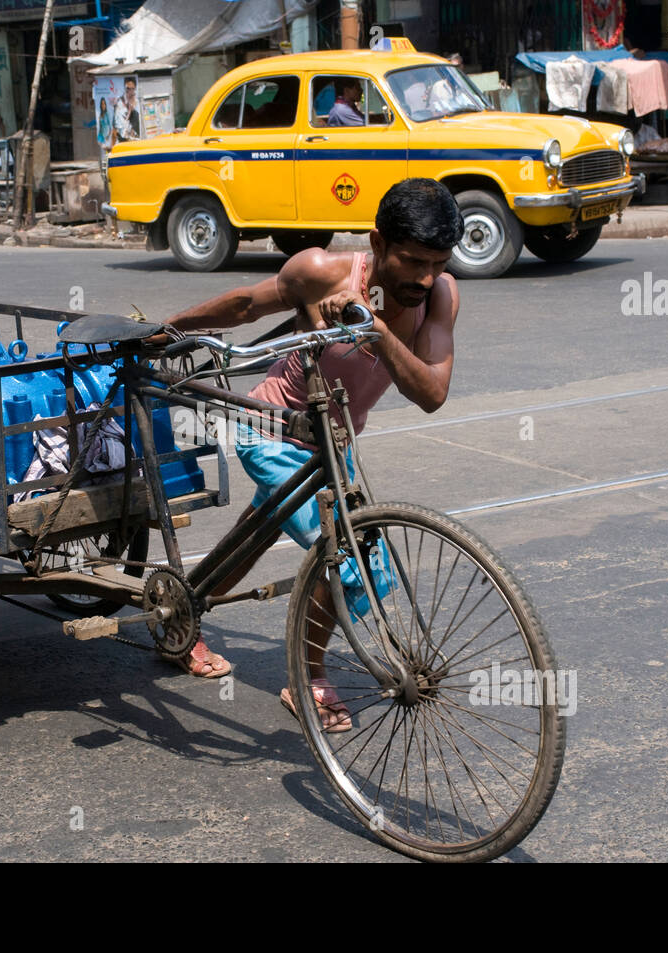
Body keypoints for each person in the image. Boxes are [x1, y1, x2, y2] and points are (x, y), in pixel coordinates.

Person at [165, 178, 462, 728]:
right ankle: (309, 677)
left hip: (332, 442)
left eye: (438, 263)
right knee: (350, 563)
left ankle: (183, 612)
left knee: (256, 533)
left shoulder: (440, 294)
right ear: (377, 243)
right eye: (413, 261)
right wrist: (169, 329)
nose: (425, 278)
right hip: (271, 427)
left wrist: (374, 331)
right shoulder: (321, 271)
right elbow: (246, 305)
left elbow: (431, 393)